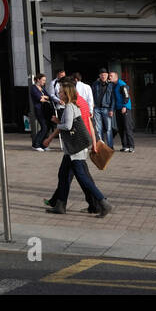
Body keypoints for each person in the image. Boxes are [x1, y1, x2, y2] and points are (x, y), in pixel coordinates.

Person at [46, 79, 111, 217]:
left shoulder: (70, 106)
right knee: (63, 175)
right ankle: (60, 205)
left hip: (76, 149)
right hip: (72, 149)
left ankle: (103, 203)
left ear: (66, 93)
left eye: (61, 91)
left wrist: (57, 123)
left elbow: (68, 126)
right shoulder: (74, 105)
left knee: (83, 178)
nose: (58, 92)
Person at [112, 71, 135, 153]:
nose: (109, 77)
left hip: (125, 108)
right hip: (118, 108)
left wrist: (124, 106)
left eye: (111, 76)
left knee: (127, 127)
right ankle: (125, 146)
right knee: (121, 128)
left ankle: (131, 146)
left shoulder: (122, 84)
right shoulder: (113, 85)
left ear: (116, 77)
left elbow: (126, 96)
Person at [92, 69, 115, 148]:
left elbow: (113, 98)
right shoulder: (95, 84)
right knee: (99, 129)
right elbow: (92, 95)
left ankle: (110, 146)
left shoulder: (111, 85)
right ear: (99, 76)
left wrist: (111, 109)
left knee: (108, 129)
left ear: (107, 75)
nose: (103, 76)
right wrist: (92, 105)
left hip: (107, 109)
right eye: (102, 74)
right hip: (97, 109)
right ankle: (101, 146)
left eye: (105, 74)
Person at [30, 74, 54, 151]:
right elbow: (39, 98)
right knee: (44, 127)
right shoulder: (33, 88)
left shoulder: (42, 88)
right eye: (43, 80)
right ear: (38, 80)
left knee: (48, 127)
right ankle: (36, 144)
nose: (44, 82)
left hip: (46, 110)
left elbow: (49, 97)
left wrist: (44, 97)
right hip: (39, 110)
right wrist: (43, 97)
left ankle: (43, 144)